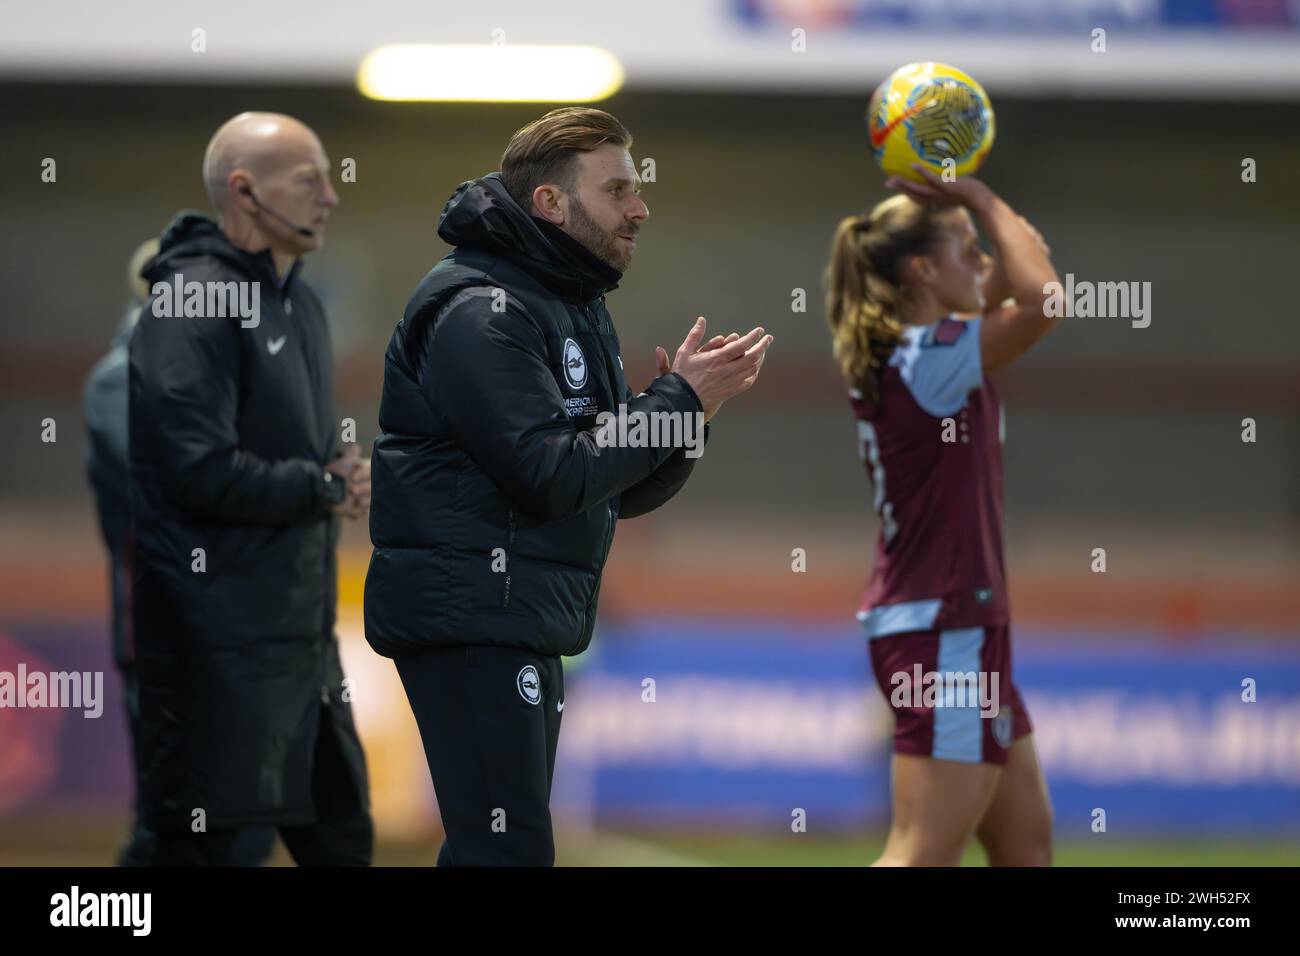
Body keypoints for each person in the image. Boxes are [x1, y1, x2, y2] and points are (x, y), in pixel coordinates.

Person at [364, 107, 773, 866]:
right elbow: (551, 473)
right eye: (618, 189)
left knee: (503, 849)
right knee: (505, 850)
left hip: (519, 615)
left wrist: (690, 415)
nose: (640, 207)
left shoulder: (570, 304)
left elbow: (611, 489)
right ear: (551, 203)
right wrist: (674, 401)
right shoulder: (482, 310)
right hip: (472, 616)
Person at [128, 112, 373, 865]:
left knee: (344, 843)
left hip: (304, 647)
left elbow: (297, 444)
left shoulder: (302, 302)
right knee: (212, 852)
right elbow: (196, 469)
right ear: (243, 190)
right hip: (217, 655)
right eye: (309, 180)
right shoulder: (188, 304)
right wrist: (319, 488)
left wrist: (341, 469)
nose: (331, 196)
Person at [823, 164, 1058, 866]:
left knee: (1026, 847)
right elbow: (1043, 300)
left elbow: (1026, 281)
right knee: (922, 852)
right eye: (967, 249)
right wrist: (980, 197)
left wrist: (990, 227)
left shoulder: (924, 354)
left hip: (960, 624)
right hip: (945, 630)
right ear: (924, 270)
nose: (983, 262)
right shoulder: (928, 357)